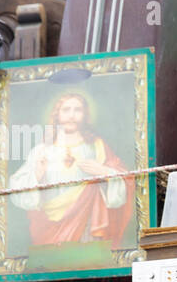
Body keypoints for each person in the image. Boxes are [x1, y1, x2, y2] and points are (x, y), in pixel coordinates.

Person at [10, 92, 134, 247]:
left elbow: (127, 180)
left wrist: (104, 171)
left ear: (85, 114)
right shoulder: (41, 150)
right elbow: (16, 188)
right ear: (57, 114)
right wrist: (36, 175)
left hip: (87, 220)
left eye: (77, 110)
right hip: (48, 227)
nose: (72, 115)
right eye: (66, 110)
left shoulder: (97, 146)